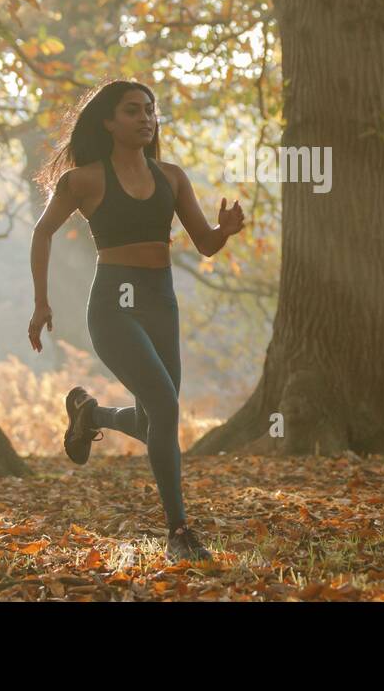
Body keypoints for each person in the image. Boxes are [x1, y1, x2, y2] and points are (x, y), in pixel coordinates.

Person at [28, 79, 245, 562]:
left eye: (150, 110)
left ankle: (92, 415)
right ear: (108, 121)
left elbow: (205, 244)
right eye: (132, 111)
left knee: (155, 423)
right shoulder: (84, 179)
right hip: (113, 307)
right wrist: (41, 303)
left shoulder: (172, 177)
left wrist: (223, 232)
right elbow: (42, 234)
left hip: (161, 305)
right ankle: (180, 531)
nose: (146, 118)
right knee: (166, 409)